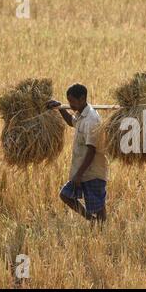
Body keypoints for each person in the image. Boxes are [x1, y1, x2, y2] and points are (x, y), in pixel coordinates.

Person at [47, 83, 109, 223]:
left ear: (82, 99)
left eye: (72, 102)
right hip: (82, 169)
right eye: (68, 102)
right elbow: (72, 122)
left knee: (98, 206)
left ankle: (101, 231)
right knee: (65, 195)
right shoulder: (82, 114)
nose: (70, 104)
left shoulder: (92, 120)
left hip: (93, 171)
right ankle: (91, 220)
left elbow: (92, 150)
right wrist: (60, 108)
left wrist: (79, 175)